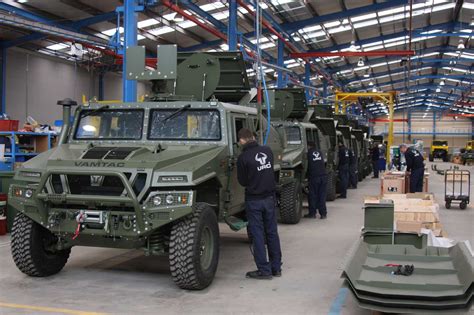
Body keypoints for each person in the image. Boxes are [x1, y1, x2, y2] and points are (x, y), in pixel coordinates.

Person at [236, 128, 282, 280]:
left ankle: (264, 270)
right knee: (272, 233)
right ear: (253, 137)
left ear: (242, 140)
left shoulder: (243, 158)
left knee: (257, 235)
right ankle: (276, 267)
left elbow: (242, 181)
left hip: (254, 200)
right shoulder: (267, 151)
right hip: (269, 198)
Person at [304, 141, 328, 219]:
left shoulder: (309, 153)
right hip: (323, 176)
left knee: (313, 195)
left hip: (314, 177)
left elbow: (307, 166)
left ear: (309, 146)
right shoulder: (319, 152)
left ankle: (312, 213)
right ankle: (323, 214)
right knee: (322, 196)